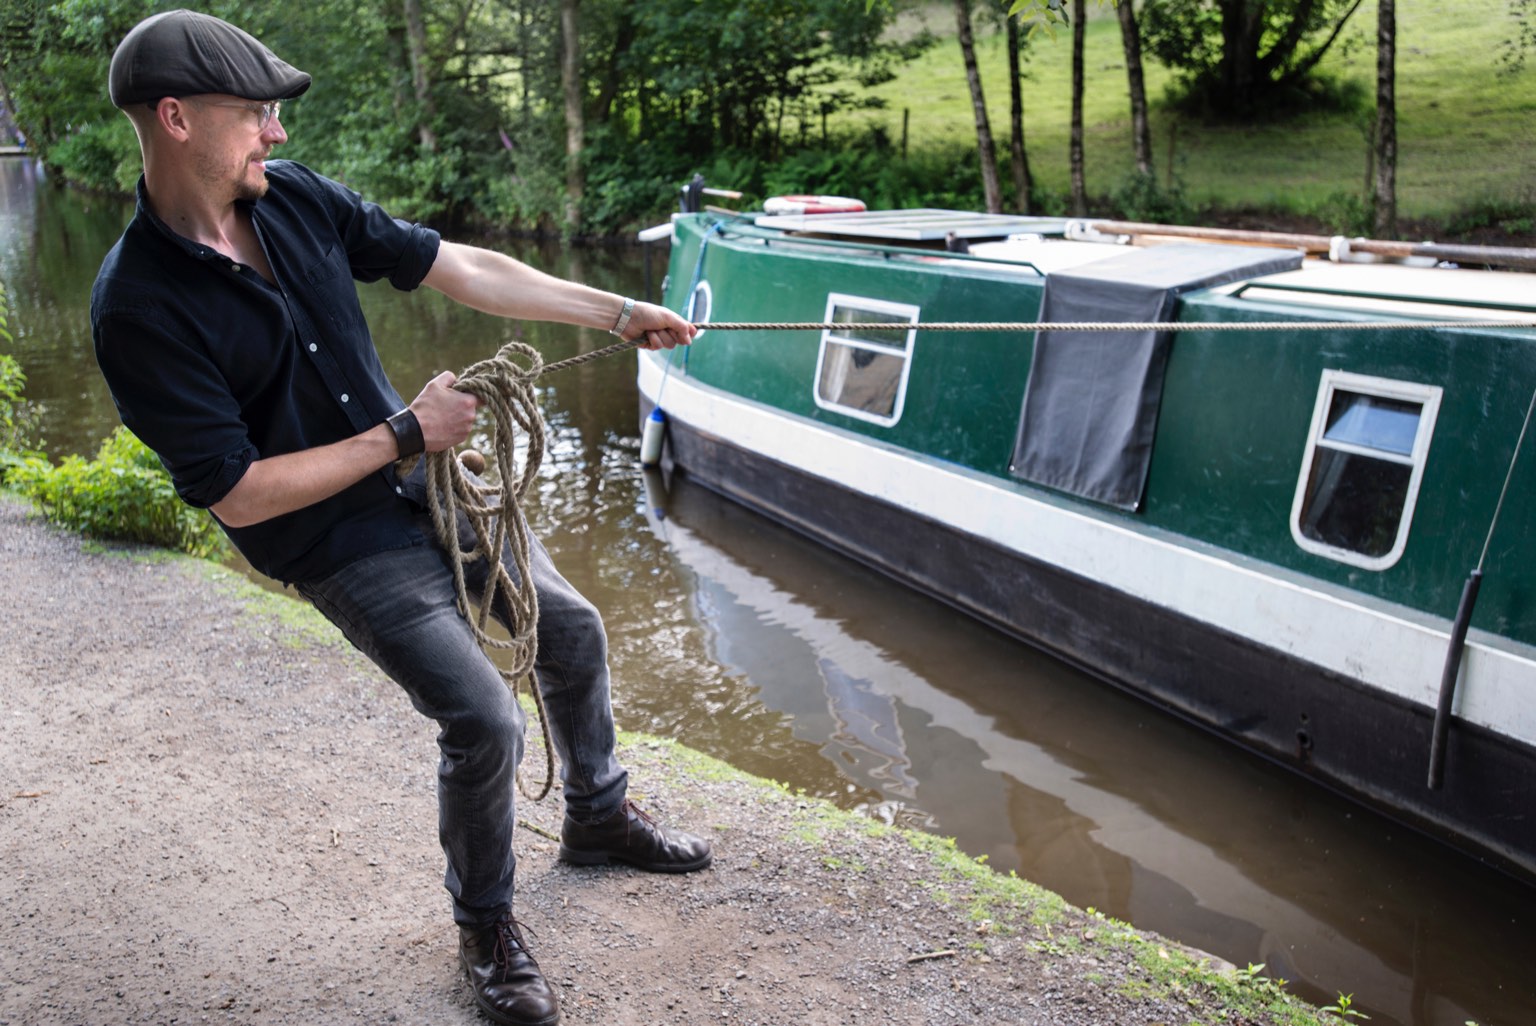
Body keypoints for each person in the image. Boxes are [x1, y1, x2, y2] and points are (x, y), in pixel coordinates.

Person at [90, 11, 709, 1026]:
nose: (275, 135)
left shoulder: (294, 201)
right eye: (255, 115)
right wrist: (404, 432)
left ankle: (597, 815)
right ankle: (488, 930)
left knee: (578, 631)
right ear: (176, 119)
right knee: (481, 719)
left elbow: (459, 267)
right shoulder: (135, 309)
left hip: (427, 477)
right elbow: (236, 492)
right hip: (332, 537)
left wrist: (613, 311)